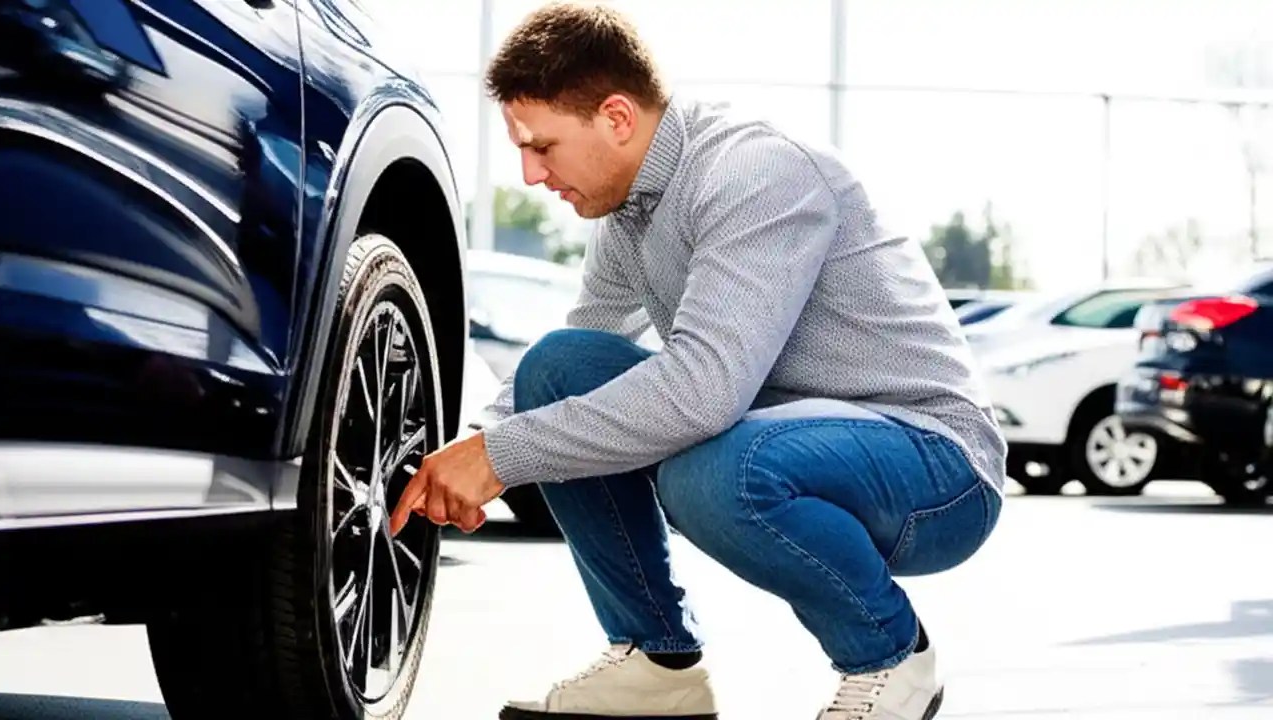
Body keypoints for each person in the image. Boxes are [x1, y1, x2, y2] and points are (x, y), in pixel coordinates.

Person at [389, 3, 1006, 718]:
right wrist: (475, 446)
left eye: (543, 146)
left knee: (714, 473)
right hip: (795, 440)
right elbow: (572, 358)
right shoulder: (628, 211)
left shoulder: (756, 173)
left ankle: (892, 659)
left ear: (617, 118)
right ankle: (658, 666)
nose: (530, 174)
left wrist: (503, 455)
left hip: (935, 469)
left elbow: (705, 390)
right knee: (557, 369)